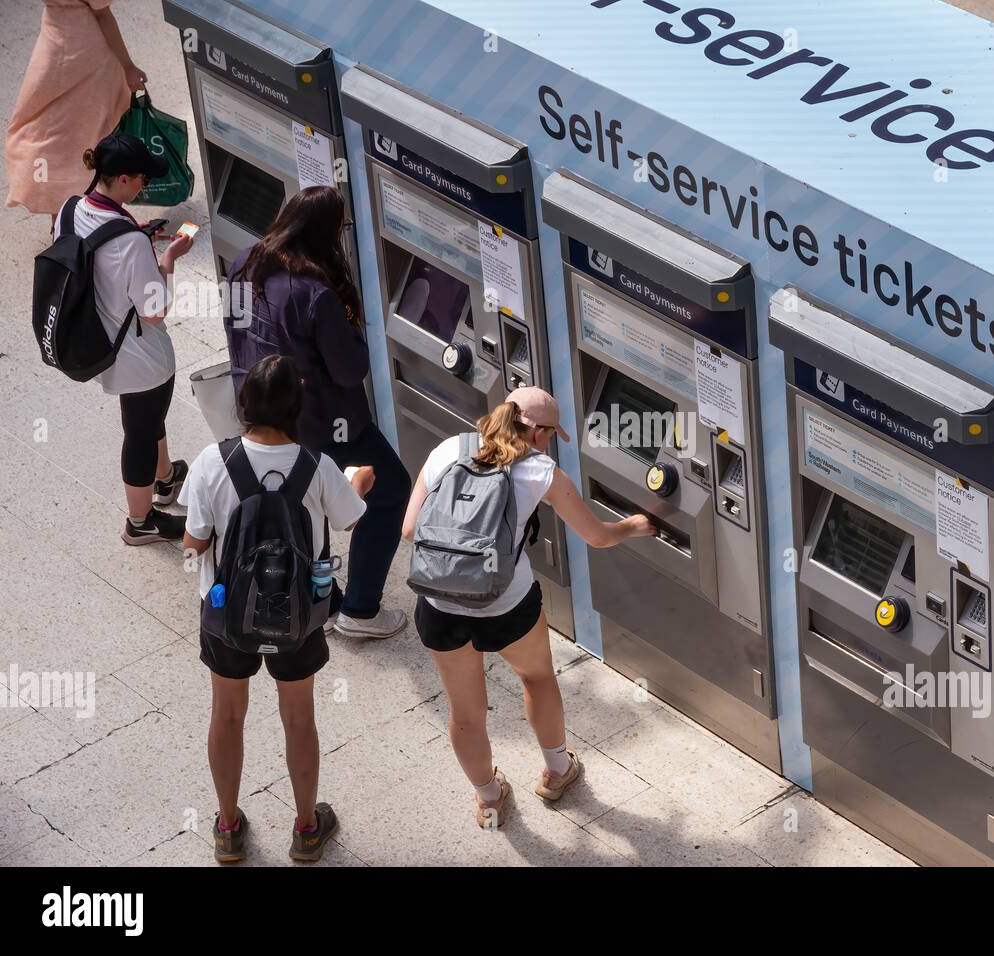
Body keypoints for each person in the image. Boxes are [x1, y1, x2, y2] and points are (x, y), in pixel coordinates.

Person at [402, 387, 656, 827]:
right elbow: (596, 536)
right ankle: (558, 772)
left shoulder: (448, 450)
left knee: (466, 712)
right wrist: (633, 525)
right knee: (537, 678)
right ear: (537, 431)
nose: (549, 443)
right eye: (551, 434)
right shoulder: (541, 472)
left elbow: (409, 530)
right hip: (506, 604)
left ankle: (488, 798)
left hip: (440, 605)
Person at [180, 355, 375, 863]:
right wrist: (358, 483)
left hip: (227, 614)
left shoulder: (211, 462)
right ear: (297, 408)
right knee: (299, 718)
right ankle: (307, 828)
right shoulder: (317, 466)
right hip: (299, 617)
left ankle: (227, 827)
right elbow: (351, 519)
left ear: (243, 405)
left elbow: (193, 544)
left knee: (226, 714)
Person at [226, 185, 411, 640]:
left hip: (260, 406)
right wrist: (354, 330)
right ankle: (361, 611)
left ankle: (321, 601)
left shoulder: (243, 263)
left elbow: (233, 331)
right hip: (326, 422)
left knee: (303, 504)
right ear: (326, 233)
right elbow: (349, 371)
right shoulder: (314, 294)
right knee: (389, 491)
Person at [54, 133, 194, 545]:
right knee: (139, 431)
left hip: (93, 334)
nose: (144, 188)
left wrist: (136, 249)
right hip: (136, 354)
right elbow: (155, 309)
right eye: (140, 180)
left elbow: (86, 258)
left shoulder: (70, 208)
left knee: (147, 418)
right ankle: (140, 521)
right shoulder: (130, 242)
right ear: (123, 179)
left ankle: (165, 479)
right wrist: (166, 260)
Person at [6, 1, 148, 219]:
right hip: (87, 58)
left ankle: (61, 221)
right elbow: (103, 15)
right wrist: (128, 66)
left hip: (51, 51)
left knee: (52, 137)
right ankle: (90, 214)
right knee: (91, 134)